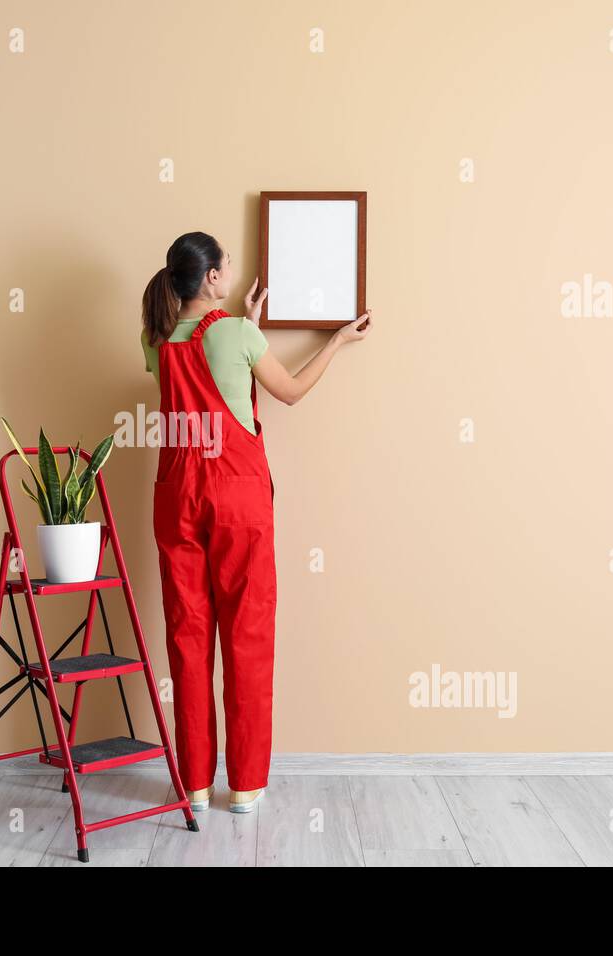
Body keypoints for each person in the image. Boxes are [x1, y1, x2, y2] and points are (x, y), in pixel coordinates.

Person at [140, 231, 372, 812]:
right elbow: (288, 392)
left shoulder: (155, 339)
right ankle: (243, 789)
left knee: (187, 638)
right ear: (212, 278)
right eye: (226, 267)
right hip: (236, 496)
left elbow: (196, 369)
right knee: (247, 635)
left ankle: (193, 785)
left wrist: (242, 321)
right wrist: (338, 341)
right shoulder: (238, 335)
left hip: (176, 495)